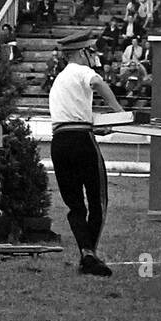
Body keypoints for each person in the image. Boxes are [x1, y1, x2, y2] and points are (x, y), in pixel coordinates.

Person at [48, 29, 126, 276]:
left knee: (75, 205)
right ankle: (91, 254)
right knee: (98, 200)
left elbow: (70, 116)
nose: (94, 56)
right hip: (82, 141)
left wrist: (94, 124)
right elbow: (98, 83)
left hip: (59, 142)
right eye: (91, 52)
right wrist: (118, 111)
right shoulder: (82, 72)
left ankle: (86, 253)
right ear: (83, 52)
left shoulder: (58, 81)